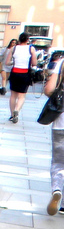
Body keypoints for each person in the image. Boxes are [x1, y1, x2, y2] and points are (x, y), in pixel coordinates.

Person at [45, 50, 64, 216]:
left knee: (58, 163)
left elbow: (49, 89)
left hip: (61, 123)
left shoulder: (61, 62)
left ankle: (57, 189)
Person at [7, 32, 39, 123]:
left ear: (19, 39)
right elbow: (34, 63)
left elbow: (7, 62)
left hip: (14, 72)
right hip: (25, 73)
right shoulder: (31, 48)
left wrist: (14, 62)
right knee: (21, 96)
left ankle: (12, 114)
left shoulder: (14, 48)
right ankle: (17, 109)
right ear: (27, 40)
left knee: (13, 95)